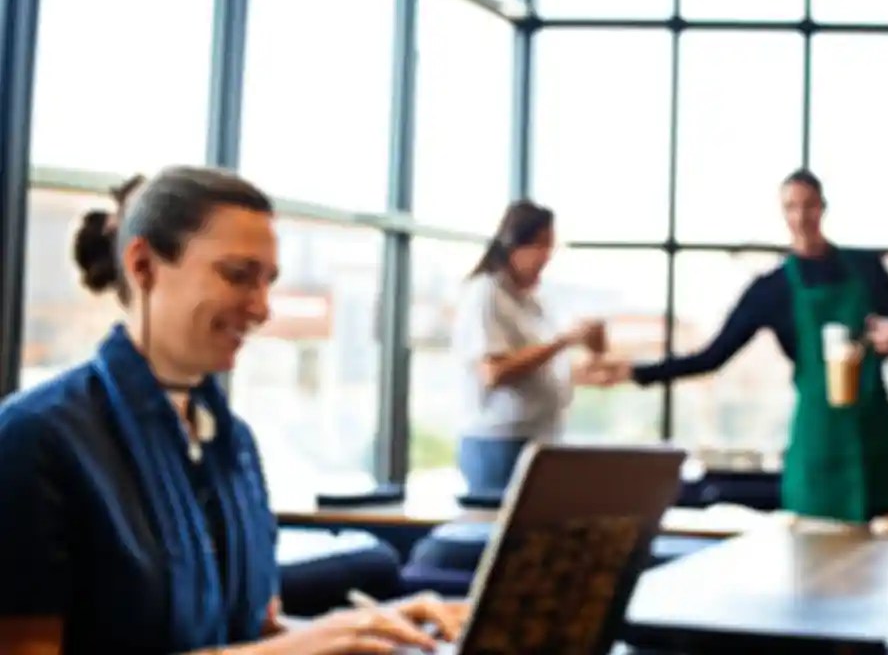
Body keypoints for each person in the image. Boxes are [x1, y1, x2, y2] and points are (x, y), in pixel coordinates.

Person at [0, 167, 464, 654]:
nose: (262, 309)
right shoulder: (35, 439)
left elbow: (251, 635)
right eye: (238, 275)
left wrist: (372, 629)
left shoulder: (233, 442)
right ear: (143, 266)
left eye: (268, 282)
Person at [604, 170, 888, 525]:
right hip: (818, 443)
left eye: (809, 205)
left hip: (875, 435)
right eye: (791, 207)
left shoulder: (867, 269)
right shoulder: (770, 290)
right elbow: (713, 356)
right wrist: (635, 372)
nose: (802, 217)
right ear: (782, 214)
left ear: (823, 208)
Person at [451, 200, 611, 498]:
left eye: (550, 246)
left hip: (541, 437)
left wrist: (588, 351)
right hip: (500, 442)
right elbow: (494, 372)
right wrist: (563, 341)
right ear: (514, 244)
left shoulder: (534, 300)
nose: (546, 256)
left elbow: (540, 367)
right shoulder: (486, 294)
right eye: (539, 245)